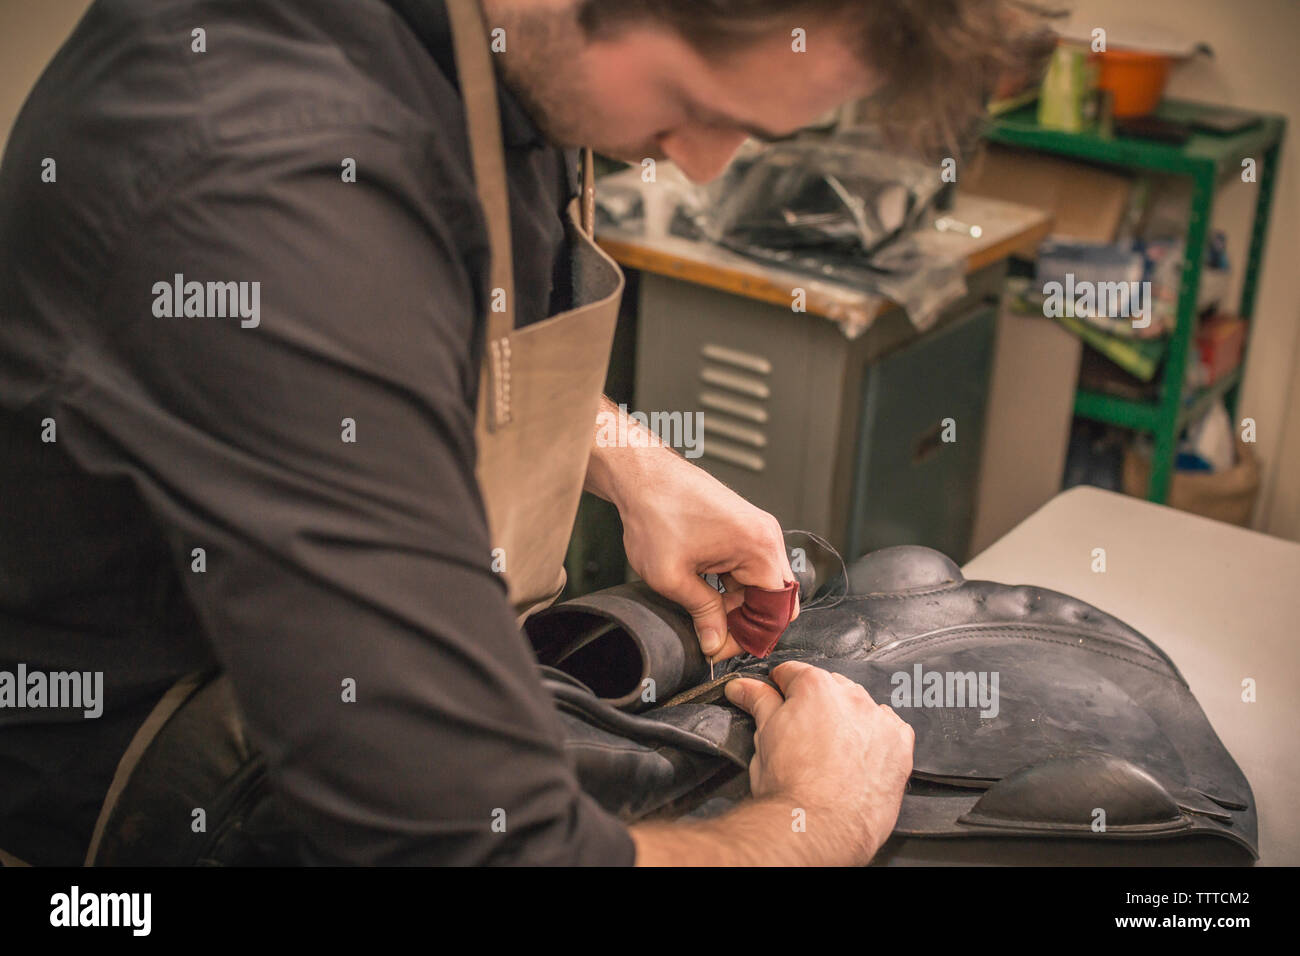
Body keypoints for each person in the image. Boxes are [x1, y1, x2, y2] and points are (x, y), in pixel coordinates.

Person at [0, 0, 1046, 865]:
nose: (700, 167)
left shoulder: (496, 58)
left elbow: (395, 339)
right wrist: (817, 821)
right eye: (692, 107)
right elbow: (466, 852)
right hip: (145, 810)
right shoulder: (257, 180)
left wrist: (632, 461)